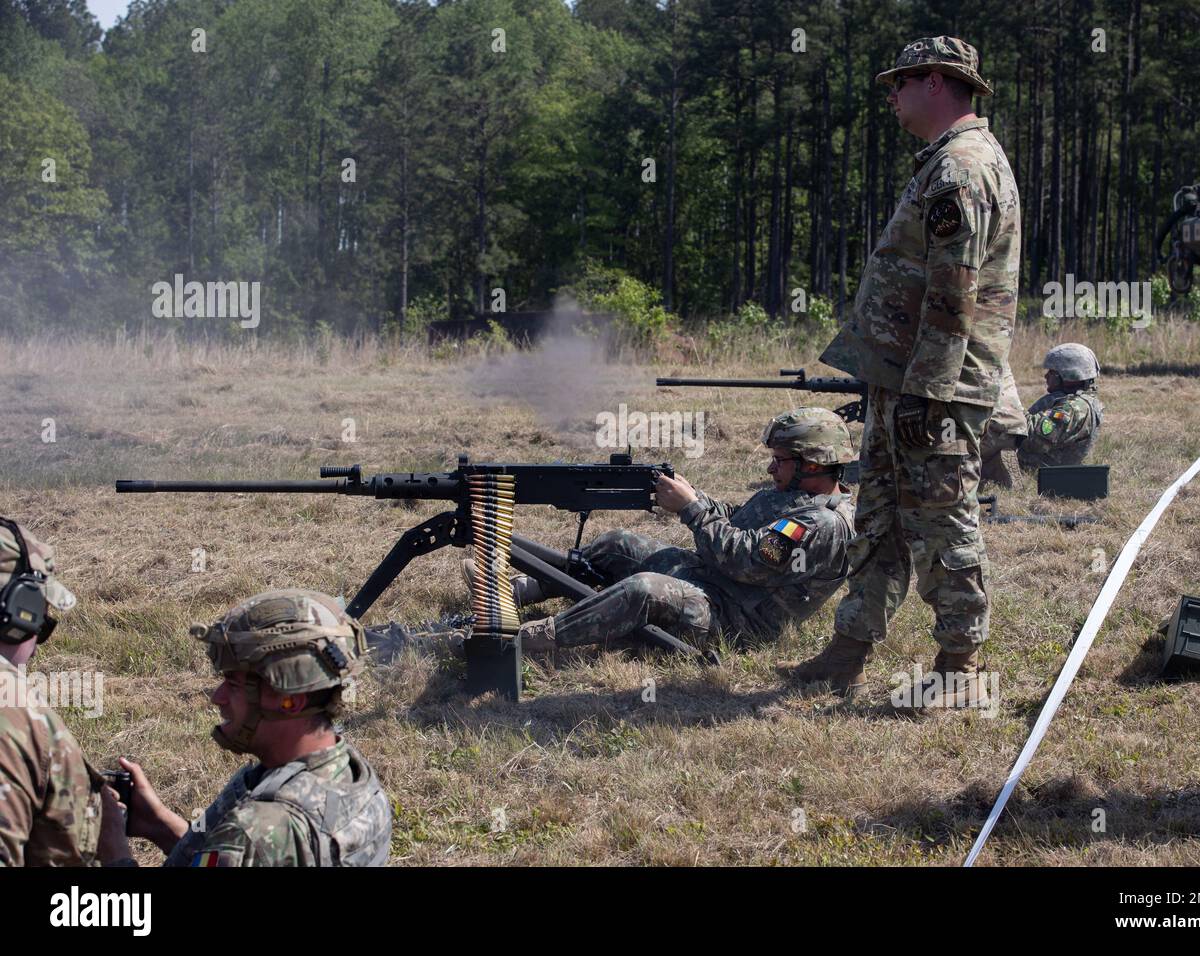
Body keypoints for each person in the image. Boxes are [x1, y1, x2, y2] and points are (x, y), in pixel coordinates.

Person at [793, 36, 1020, 710]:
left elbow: (955, 291)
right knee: (882, 517)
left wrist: (928, 390)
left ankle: (961, 665)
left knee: (944, 519)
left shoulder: (961, 169)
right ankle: (848, 649)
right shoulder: (944, 163)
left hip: (936, 387)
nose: (890, 96)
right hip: (909, 381)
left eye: (899, 83)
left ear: (936, 82)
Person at [464, 408, 856, 655]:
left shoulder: (822, 525)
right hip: (713, 584)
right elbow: (737, 518)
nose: (772, 469)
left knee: (644, 589)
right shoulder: (794, 495)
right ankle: (522, 592)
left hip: (733, 620)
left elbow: (746, 561)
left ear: (815, 464)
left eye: (780, 461)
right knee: (621, 542)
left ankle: (529, 639)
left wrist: (691, 509)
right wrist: (690, 494)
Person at [100, 590, 392, 866]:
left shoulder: (259, 828)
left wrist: (114, 852)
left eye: (235, 684)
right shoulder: (351, 774)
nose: (218, 697)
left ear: (291, 701)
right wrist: (157, 823)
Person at [0, 517, 126, 866]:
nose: (39, 643)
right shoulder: (17, 719)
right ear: (17, 612)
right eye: (41, 621)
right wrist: (117, 855)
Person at [1016, 343, 1104, 472]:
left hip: (1043, 475)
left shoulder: (1074, 408)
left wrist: (1011, 408)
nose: (1046, 376)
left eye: (1052, 372)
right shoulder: (1073, 400)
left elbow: (1034, 439)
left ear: (1069, 376)